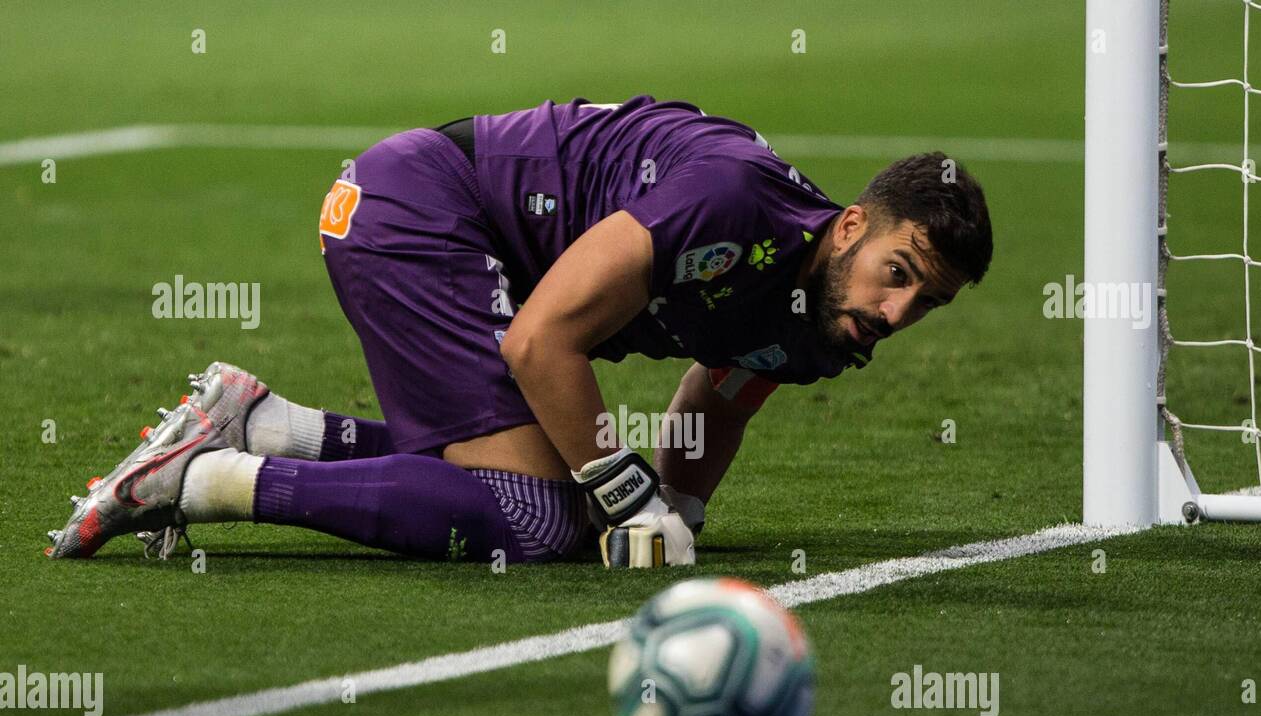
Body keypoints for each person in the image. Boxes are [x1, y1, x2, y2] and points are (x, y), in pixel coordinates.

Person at [47, 96, 993, 568]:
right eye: (899, 275)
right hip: (412, 209)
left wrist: (679, 509)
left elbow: (729, 385)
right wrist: (628, 498)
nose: (897, 312)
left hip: (453, 232)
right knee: (541, 517)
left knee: (565, 499)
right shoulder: (733, 199)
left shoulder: (827, 315)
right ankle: (198, 481)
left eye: (927, 304)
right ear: (854, 226)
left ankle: (264, 424)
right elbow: (540, 344)